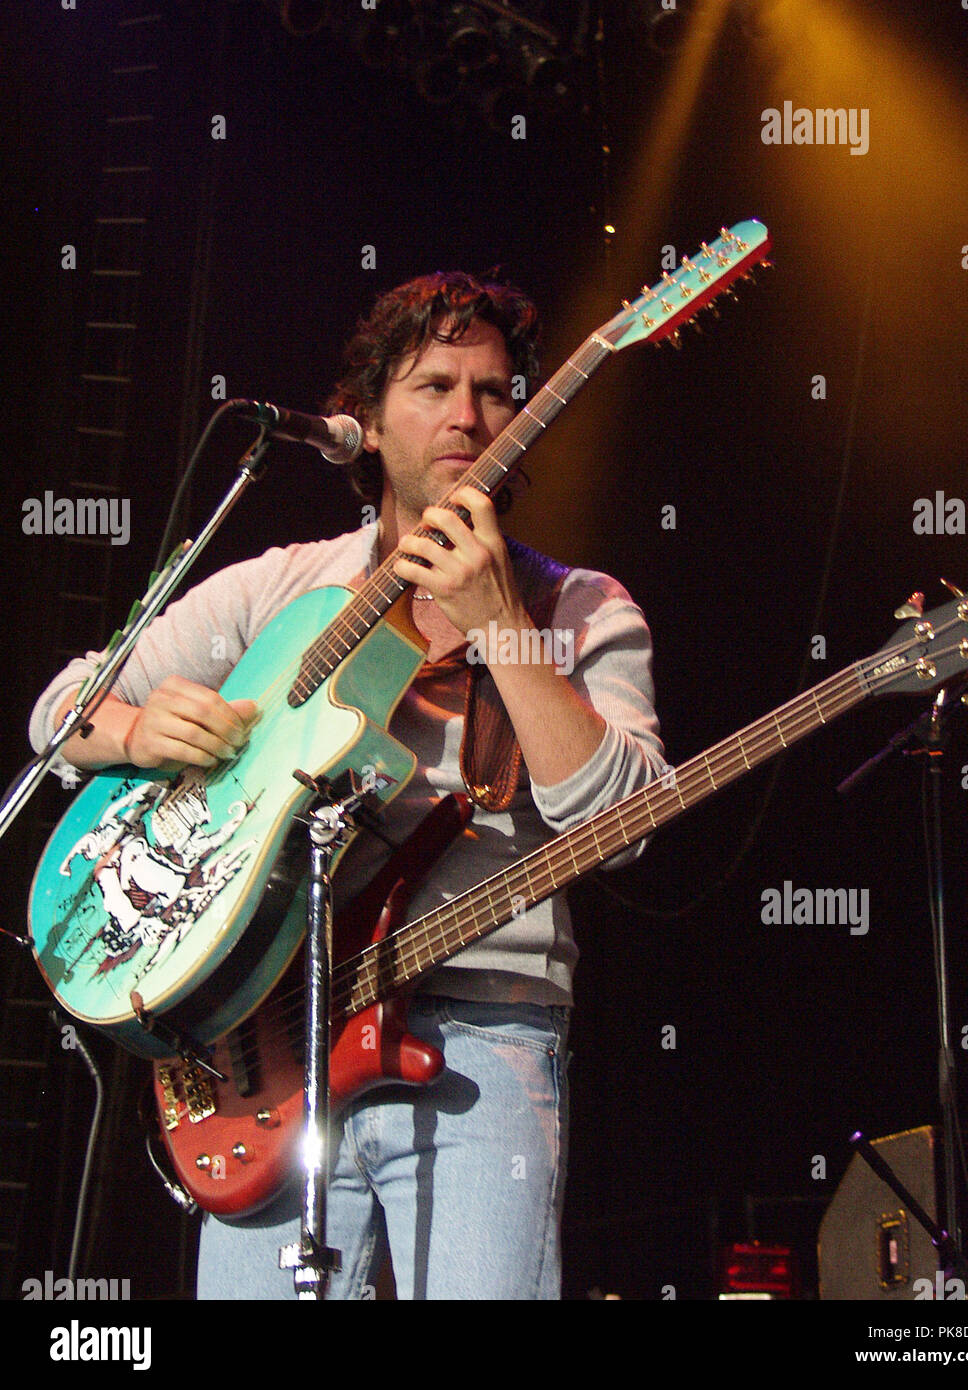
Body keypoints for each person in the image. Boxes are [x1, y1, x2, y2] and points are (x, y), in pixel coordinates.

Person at [29, 271, 667, 1300]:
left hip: (485, 1032)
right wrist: (138, 729)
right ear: (364, 422)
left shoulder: (580, 606)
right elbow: (64, 707)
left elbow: (624, 826)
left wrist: (502, 620)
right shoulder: (281, 585)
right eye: (433, 385)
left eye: (495, 390)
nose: (467, 412)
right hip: (269, 1041)